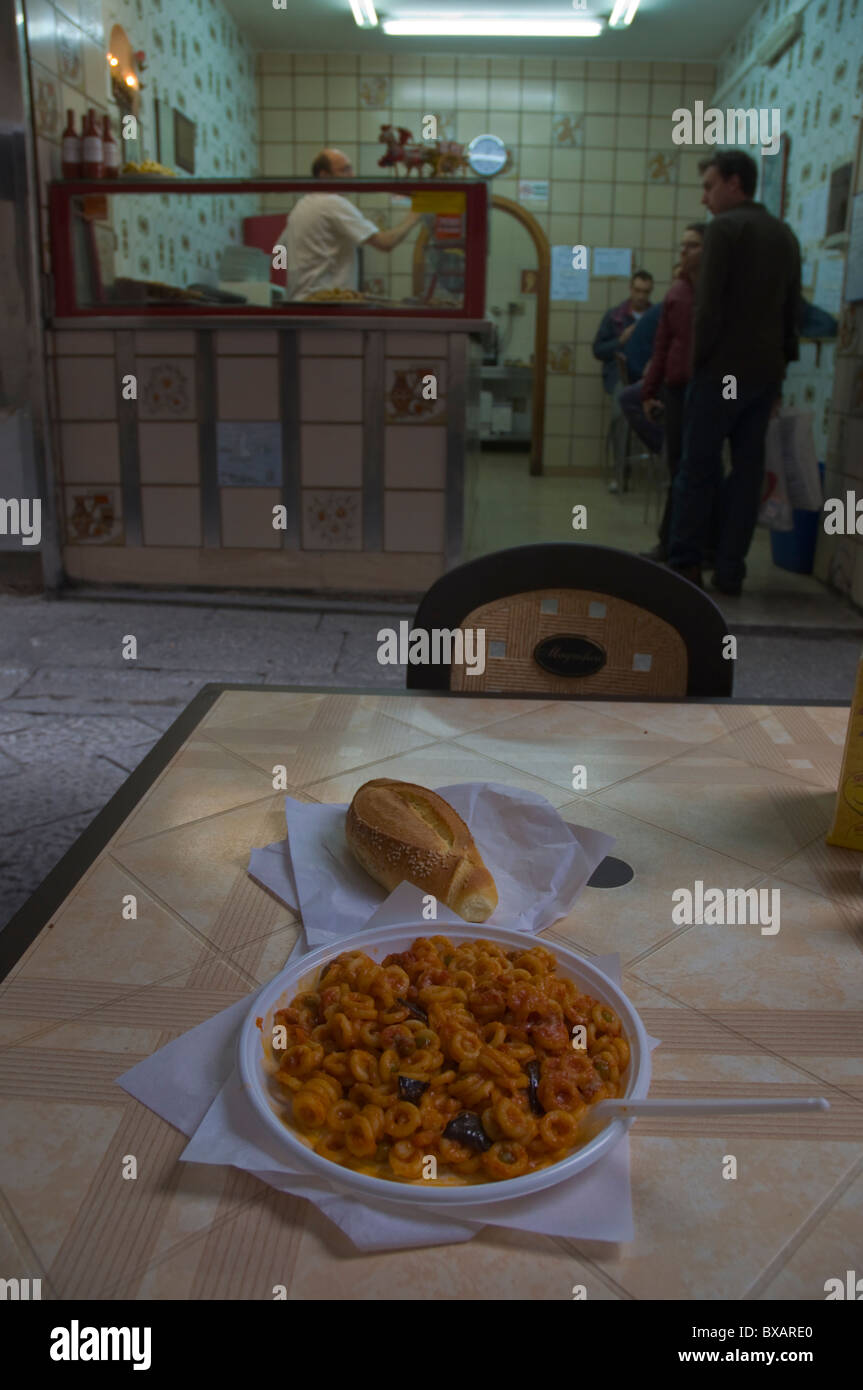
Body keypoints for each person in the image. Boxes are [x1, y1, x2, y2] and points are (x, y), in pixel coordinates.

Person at [666, 150, 801, 595]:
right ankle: (731, 570)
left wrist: (699, 364)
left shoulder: (725, 229)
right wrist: (779, 376)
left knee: (697, 467)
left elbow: (710, 306)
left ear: (734, 183)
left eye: (709, 186)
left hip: (721, 369)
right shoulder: (784, 235)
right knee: (747, 473)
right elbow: (791, 312)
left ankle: (685, 564)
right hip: (764, 374)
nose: (704, 198)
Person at [640, 224, 709, 561]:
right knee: (678, 469)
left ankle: (691, 546)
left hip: (709, 390)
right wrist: (649, 391)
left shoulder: (718, 291)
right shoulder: (677, 292)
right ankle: (670, 543)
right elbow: (662, 344)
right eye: (682, 246)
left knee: (697, 470)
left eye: (692, 246)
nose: (683, 252)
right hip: (677, 389)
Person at [278, 148, 422, 301]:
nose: (352, 176)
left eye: (351, 169)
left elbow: (279, 249)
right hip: (325, 304)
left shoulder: (301, 206)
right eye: (345, 170)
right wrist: (416, 213)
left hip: (300, 303)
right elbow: (385, 243)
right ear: (324, 176)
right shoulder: (332, 202)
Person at [592, 269, 654, 492]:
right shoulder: (615, 316)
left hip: (649, 375)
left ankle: (661, 468)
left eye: (645, 292)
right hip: (621, 374)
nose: (640, 296)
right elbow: (598, 350)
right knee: (620, 416)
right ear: (630, 289)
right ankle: (620, 475)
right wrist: (621, 340)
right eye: (637, 290)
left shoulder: (656, 316)